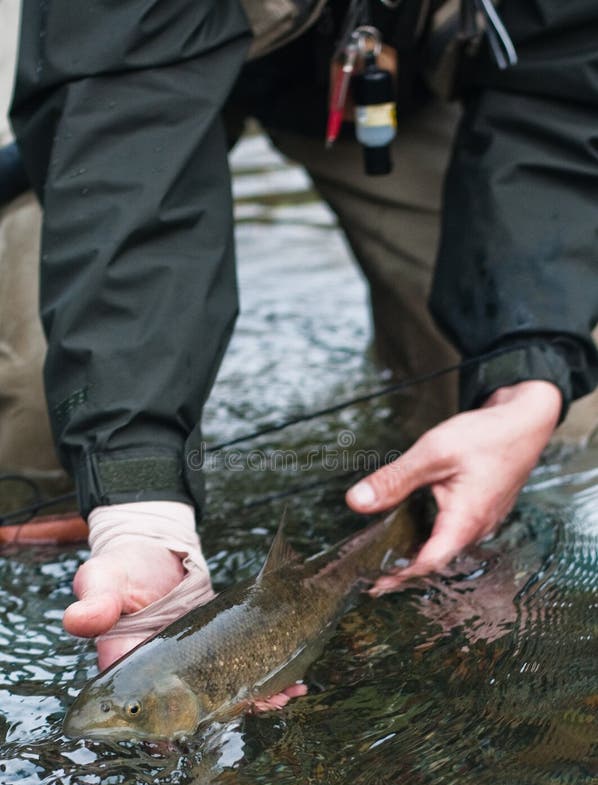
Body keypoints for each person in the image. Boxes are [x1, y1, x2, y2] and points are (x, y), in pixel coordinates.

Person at [6, 0, 598, 674]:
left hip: (391, 81)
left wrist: (529, 378)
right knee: (35, 412)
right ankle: (99, 548)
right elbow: (116, 139)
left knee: (560, 414)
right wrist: (137, 504)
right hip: (123, 80)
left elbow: (565, 90)